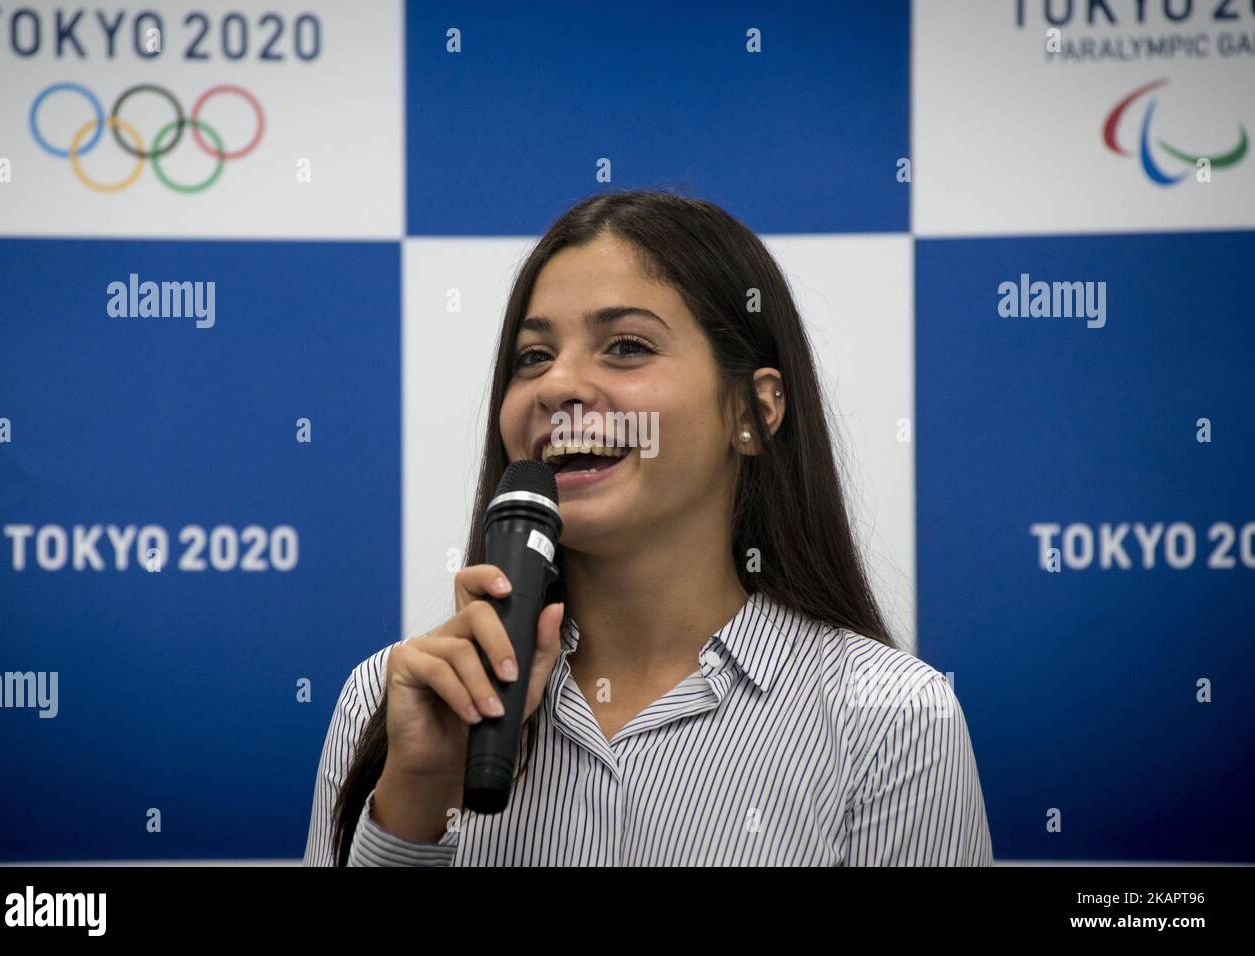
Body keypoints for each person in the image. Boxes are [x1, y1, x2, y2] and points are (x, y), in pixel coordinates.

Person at [303, 190, 993, 866]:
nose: (556, 387)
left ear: (753, 411)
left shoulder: (894, 719)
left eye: (627, 347)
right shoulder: (393, 698)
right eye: (533, 357)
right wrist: (416, 802)